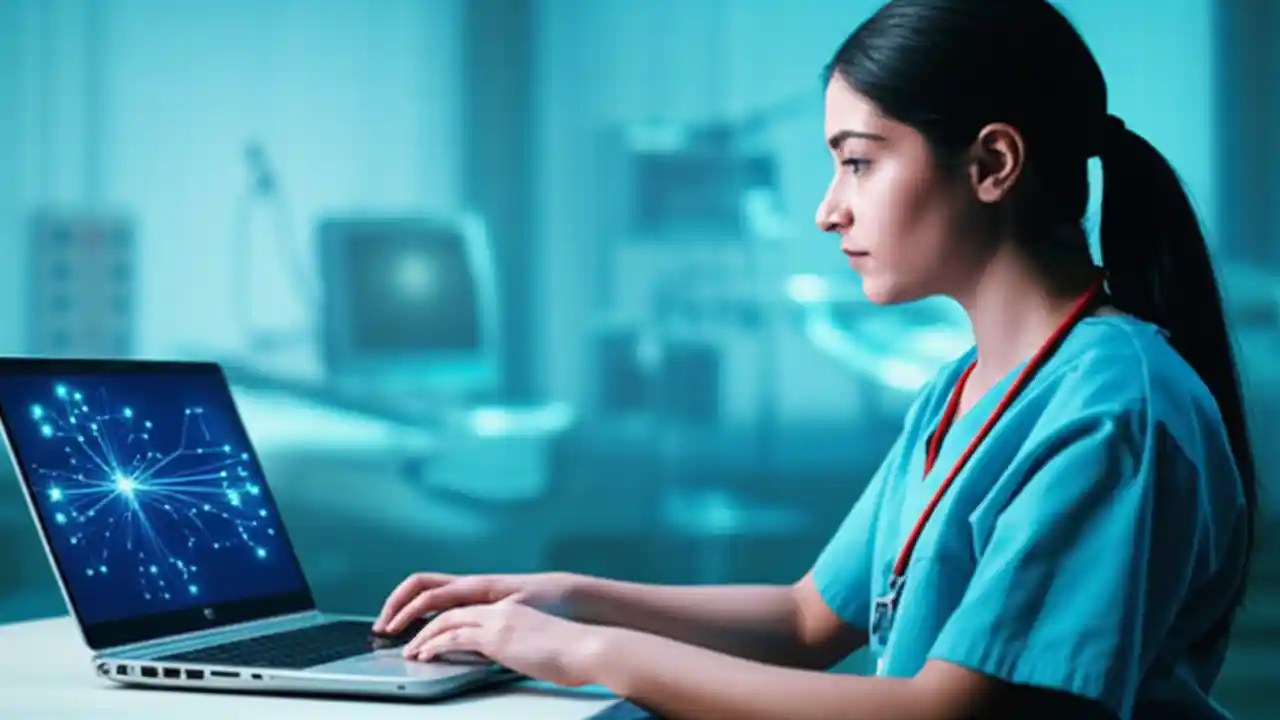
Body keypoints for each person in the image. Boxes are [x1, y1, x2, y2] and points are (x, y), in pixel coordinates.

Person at [372, 1, 1255, 717]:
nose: (829, 211)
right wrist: (569, 597)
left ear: (992, 163)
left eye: (859, 164)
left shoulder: (1113, 409)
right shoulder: (964, 390)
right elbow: (807, 619)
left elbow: (946, 710)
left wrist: (587, 654)